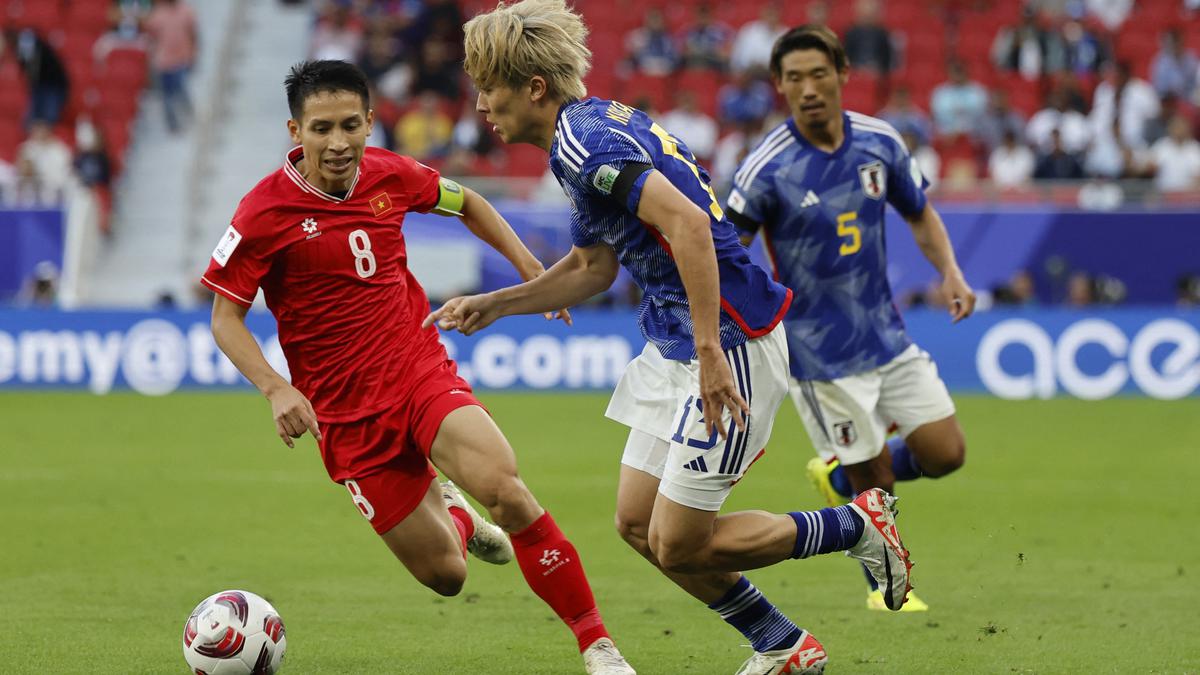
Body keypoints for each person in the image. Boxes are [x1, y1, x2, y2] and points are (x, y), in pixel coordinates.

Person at [437, 3, 916, 673]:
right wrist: (497, 304)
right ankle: (782, 644)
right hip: (675, 344)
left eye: (490, 88)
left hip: (729, 341)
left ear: (534, 88)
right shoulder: (585, 134)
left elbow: (688, 224)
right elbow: (593, 267)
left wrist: (713, 353)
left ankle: (857, 524)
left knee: (680, 541)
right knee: (638, 525)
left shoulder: (587, 143)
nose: (482, 105)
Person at [200, 60, 634, 675]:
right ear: (295, 131)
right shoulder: (261, 213)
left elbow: (469, 202)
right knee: (446, 576)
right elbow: (225, 318)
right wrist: (275, 389)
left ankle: (598, 645)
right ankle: (455, 515)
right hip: (345, 417)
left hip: (416, 369)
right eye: (322, 128)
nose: (339, 143)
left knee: (506, 491)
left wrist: (530, 269)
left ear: (370, 122)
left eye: (351, 125)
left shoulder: (392, 173)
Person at [726, 25, 973, 613]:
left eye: (818, 74)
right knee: (875, 483)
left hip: (886, 335)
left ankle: (836, 480)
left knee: (945, 453)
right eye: (794, 78)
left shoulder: (881, 142)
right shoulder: (767, 167)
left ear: (841, 74)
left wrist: (951, 272)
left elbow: (919, 211)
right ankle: (885, 589)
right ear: (779, 85)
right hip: (818, 356)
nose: (808, 88)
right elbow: (725, 249)